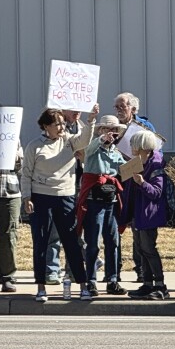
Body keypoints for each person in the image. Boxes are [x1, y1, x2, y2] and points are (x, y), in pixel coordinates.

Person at [22, 107, 95, 301]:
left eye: (63, 122)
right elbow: (26, 173)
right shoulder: (34, 146)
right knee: (41, 242)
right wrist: (27, 198)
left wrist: (92, 120)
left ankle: (83, 285)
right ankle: (41, 288)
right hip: (41, 197)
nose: (62, 126)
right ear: (46, 126)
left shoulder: (70, 142)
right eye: (57, 124)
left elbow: (85, 139)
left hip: (65, 196)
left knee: (71, 241)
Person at [77, 115, 129, 298]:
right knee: (93, 243)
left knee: (113, 242)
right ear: (99, 131)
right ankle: (91, 281)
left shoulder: (115, 152)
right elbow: (87, 149)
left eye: (114, 130)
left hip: (111, 201)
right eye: (107, 129)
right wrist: (101, 140)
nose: (111, 133)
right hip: (94, 202)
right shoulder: (92, 148)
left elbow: (126, 169)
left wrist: (140, 160)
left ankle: (112, 280)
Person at [114, 91, 158, 283]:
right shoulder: (112, 127)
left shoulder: (143, 126)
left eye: (122, 106)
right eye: (116, 107)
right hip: (117, 181)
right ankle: (114, 271)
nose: (118, 110)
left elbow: (154, 149)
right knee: (114, 227)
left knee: (137, 228)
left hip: (138, 181)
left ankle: (141, 269)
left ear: (133, 107)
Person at [122, 130, 169, 300]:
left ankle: (160, 285)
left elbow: (157, 192)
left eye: (135, 145)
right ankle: (148, 284)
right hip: (137, 213)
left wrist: (142, 183)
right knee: (141, 249)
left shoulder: (155, 164)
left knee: (149, 249)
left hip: (149, 214)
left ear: (143, 146)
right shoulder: (138, 162)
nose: (132, 148)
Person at [0, 102, 23, 292]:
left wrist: (11, 155)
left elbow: (19, 165)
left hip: (9, 193)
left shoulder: (11, 137)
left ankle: (7, 276)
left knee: (9, 236)